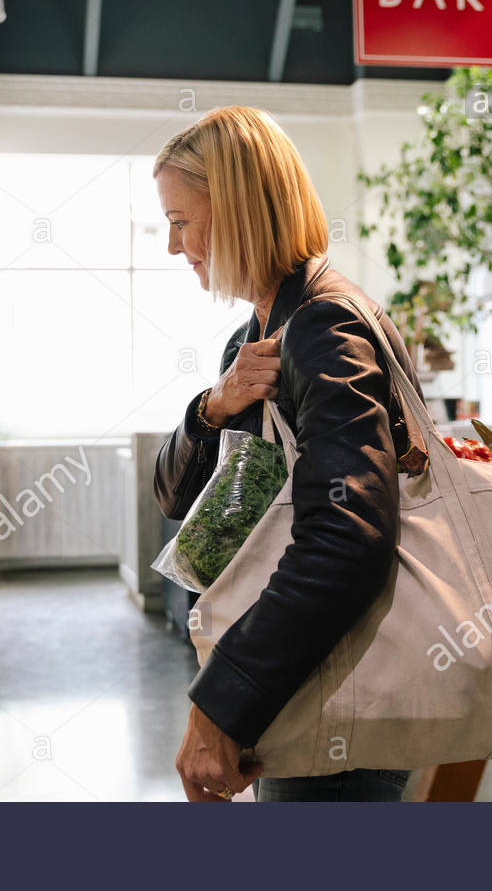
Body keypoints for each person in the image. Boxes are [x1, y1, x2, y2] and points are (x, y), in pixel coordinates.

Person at [152, 105, 424, 803]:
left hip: (333, 680)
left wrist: (221, 703)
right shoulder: (259, 335)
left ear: (239, 208)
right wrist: (213, 407)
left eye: (183, 221)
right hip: (303, 674)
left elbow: (346, 539)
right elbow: (184, 503)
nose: (175, 245)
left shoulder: (323, 327)